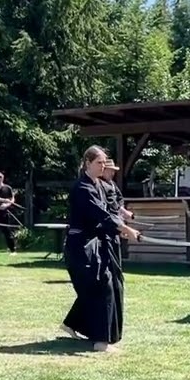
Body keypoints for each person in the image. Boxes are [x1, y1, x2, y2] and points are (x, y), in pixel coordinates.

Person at [60, 146, 141, 352]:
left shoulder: (101, 186)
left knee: (111, 283)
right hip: (82, 247)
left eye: (104, 162)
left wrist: (120, 229)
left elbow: (109, 213)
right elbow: (100, 214)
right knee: (101, 286)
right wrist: (125, 228)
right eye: (99, 162)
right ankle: (100, 342)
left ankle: (73, 324)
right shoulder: (82, 188)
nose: (103, 166)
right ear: (87, 163)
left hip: (98, 243)